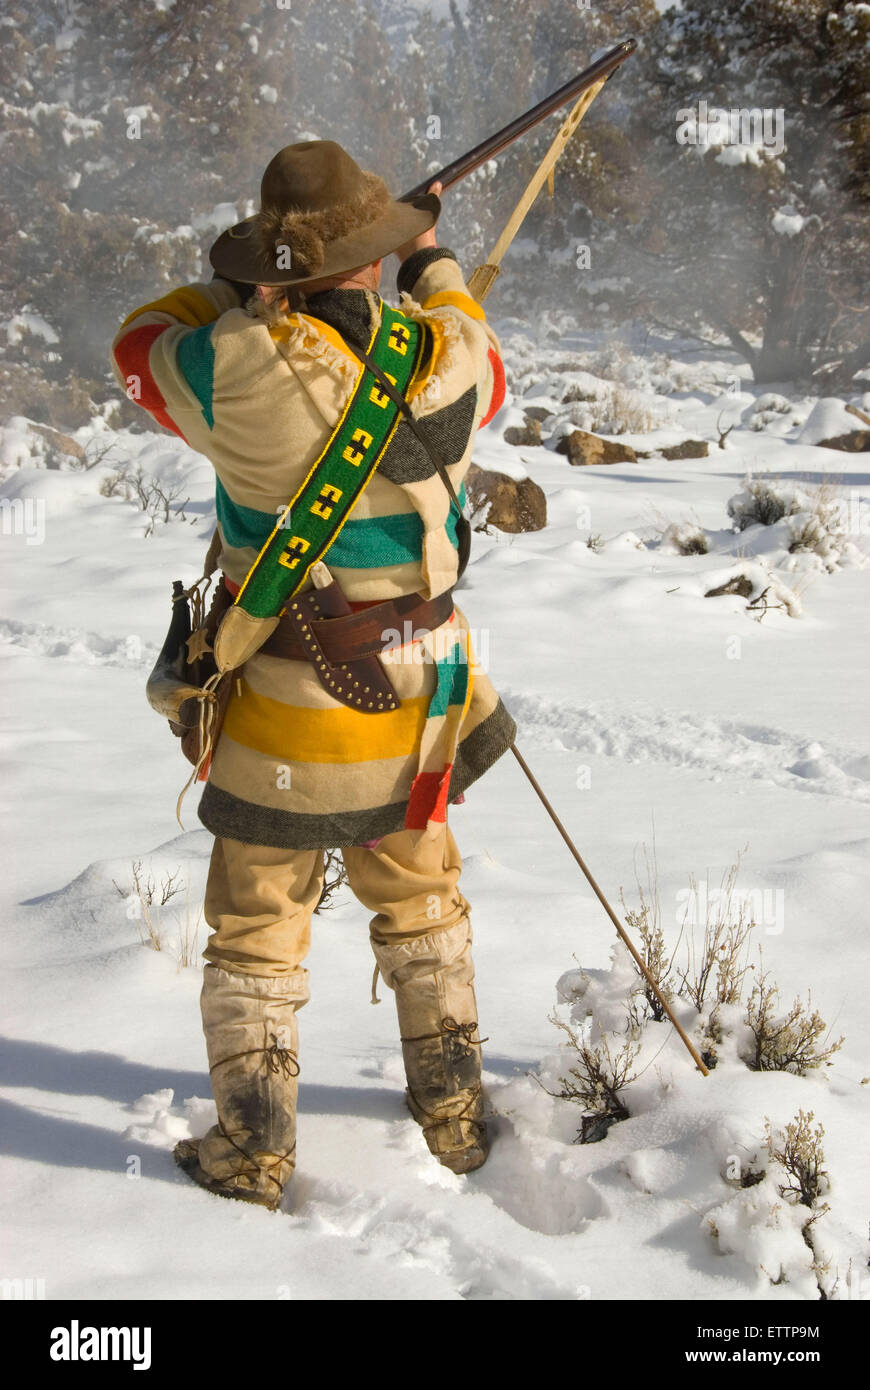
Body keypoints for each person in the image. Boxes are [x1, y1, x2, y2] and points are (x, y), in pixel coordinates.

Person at [111, 139, 515, 1210]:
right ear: (376, 261)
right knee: (424, 895)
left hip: (292, 699)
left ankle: (252, 1150)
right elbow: (481, 345)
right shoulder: (450, 353)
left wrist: (238, 286)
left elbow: (137, 343)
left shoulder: (224, 364)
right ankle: (457, 1112)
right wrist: (429, 254)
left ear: (269, 268)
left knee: (255, 922)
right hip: (423, 690)